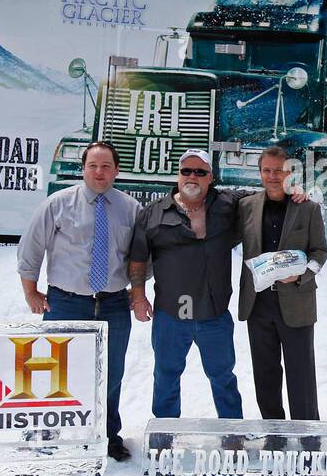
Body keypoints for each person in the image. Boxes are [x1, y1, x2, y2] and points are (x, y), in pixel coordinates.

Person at [128, 149, 303, 419]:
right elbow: (138, 259)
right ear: (178, 175)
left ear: (210, 177)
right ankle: (165, 433)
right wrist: (138, 297)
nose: (192, 176)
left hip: (214, 315)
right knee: (166, 375)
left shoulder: (229, 203)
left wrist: (294, 191)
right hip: (171, 315)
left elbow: (268, 195)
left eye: (200, 172)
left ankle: (232, 433)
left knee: (223, 377)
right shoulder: (154, 213)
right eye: (186, 171)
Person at [17, 141, 140, 462]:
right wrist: (30, 290)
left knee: (111, 374)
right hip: (67, 302)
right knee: (57, 371)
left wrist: (137, 287)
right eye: (93, 165)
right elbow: (31, 247)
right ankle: (50, 434)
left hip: (113, 304)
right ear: (83, 168)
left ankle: (108, 435)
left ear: (116, 170)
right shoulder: (58, 204)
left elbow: (143, 254)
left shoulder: (130, 208)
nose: (99, 172)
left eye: (106, 166)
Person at [238, 146, 327, 420]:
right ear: (260, 173)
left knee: (301, 376)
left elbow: (320, 252)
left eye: (279, 170)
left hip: (296, 302)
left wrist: (302, 275)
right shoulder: (246, 206)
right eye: (267, 170)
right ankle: (273, 435)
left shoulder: (308, 207)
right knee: (265, 375)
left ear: (290, 173)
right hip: (258, 303)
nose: (272, 176)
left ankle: (308, 443)